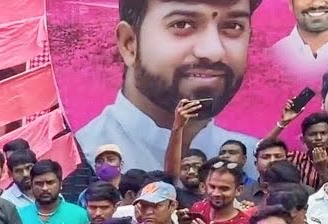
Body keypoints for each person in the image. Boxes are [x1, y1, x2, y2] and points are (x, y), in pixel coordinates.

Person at [77, 0, 260, 176]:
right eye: (182, 24)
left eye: (233, 26)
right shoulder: (82, 153)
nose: (213, 52)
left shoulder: (257, 162)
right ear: (129, 43)